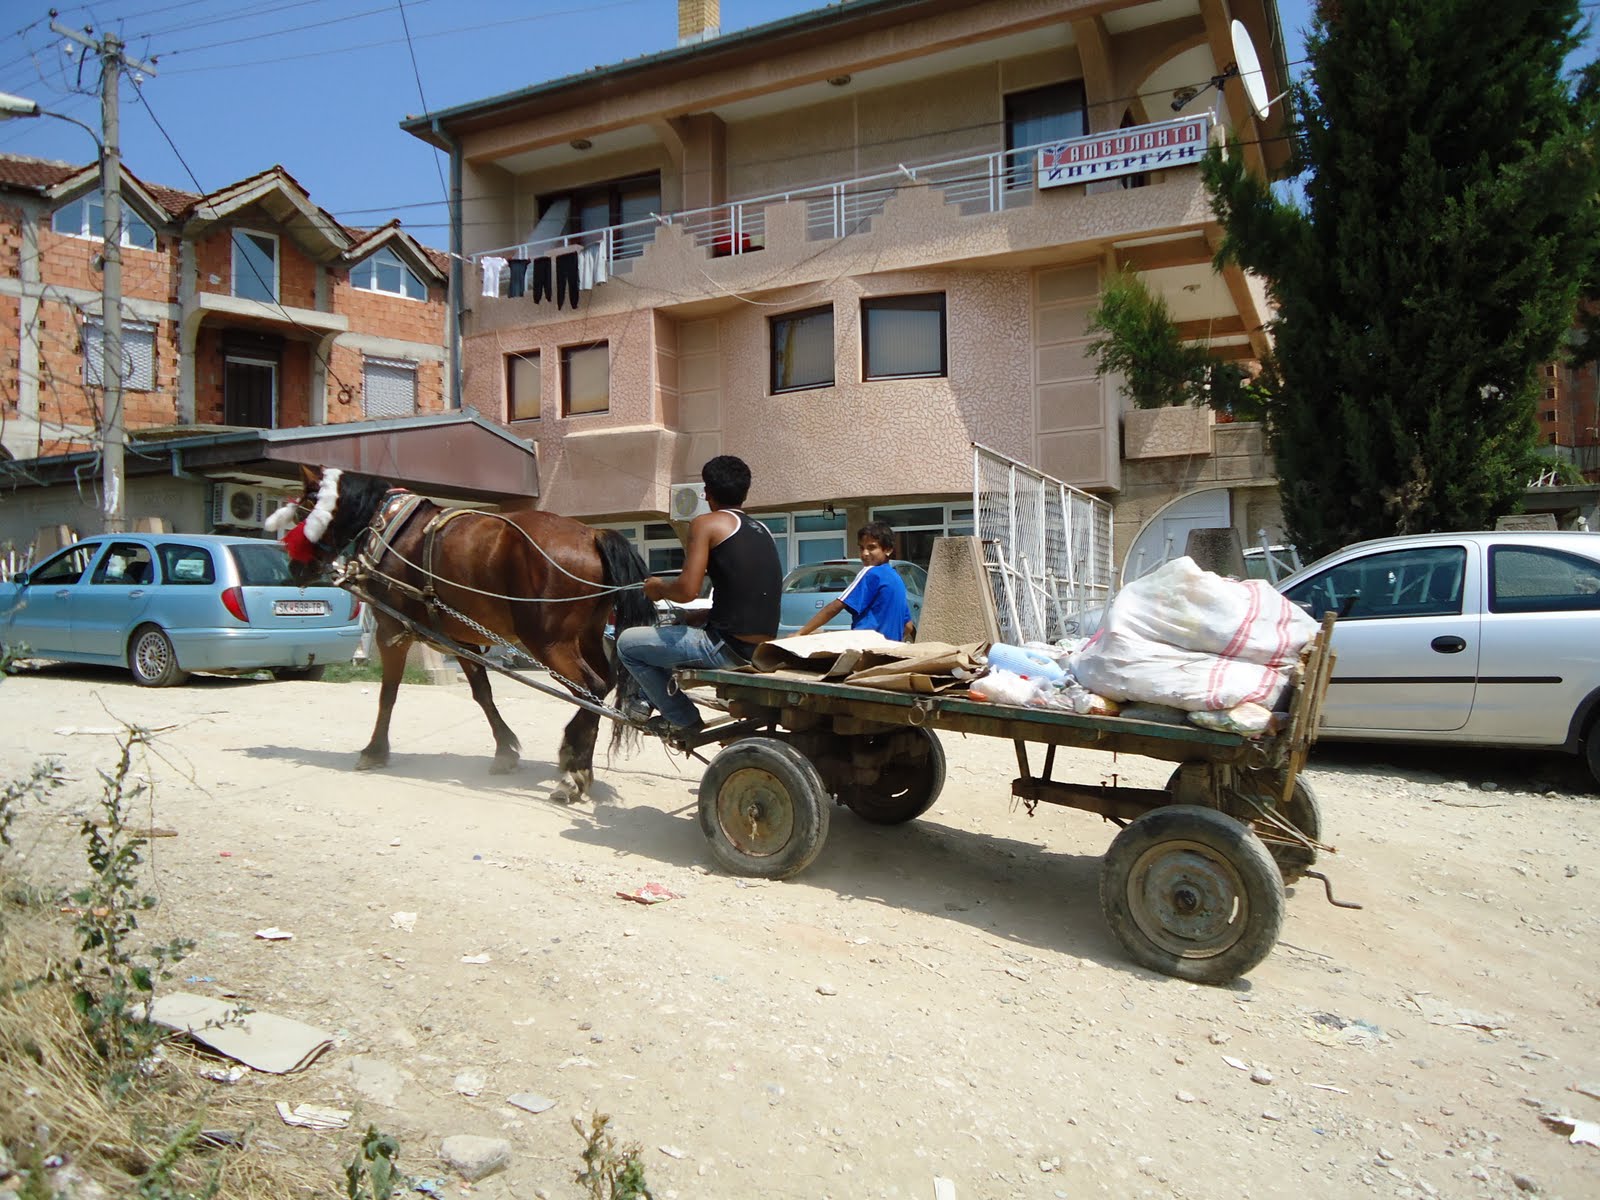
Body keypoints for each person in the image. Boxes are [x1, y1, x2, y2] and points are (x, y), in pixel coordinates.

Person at [617, 455, 783, 736]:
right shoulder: (762, 529)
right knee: (679, 625)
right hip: (760, 648)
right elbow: (747, 593)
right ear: (745, 491)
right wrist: (702, 615)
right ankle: (650, 700)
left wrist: (657, 587)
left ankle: (681, 718)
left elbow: (686, 590)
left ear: (707, 492)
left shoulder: (705, 524)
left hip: (725, 648)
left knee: (627, 645)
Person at [794, 520, 915, 641]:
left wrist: (800, 633)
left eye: (871, 547)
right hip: (889, 648)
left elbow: (835, 607)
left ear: (888, 550)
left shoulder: (871, 572)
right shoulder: (896, 578)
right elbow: (908, 626)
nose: (865, 553)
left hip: (866, 646)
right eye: (862, 548)